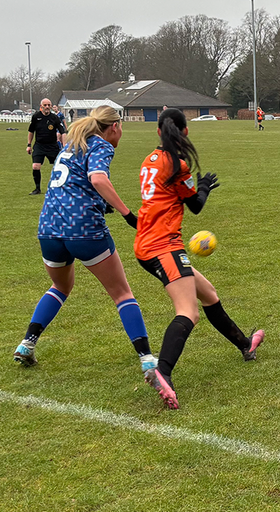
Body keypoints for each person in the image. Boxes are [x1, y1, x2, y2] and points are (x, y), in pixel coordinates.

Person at [13, 106, 171, 406]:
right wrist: (128, 215)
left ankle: (27, 343)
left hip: (49, 228)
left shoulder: (72, 144)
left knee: (60, 287)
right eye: (120, 127)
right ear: (113, 127)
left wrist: (100, 202)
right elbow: (97, 178)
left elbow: (74, 182)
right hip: (83, 229)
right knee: (122, 293)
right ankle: (148, 360)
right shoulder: (99, 145)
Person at [134, 109, 265, 408]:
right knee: (188, 312)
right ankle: (162, 372)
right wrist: (203, 185)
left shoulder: (149, 161)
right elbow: (195, 205)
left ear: (158, 132)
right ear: (185, 132)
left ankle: (245, 345)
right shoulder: (177, 165)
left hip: (145, 243)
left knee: (209, 295)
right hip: (163, 247)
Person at [26, 98, 66, 195]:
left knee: (59, 166)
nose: (47, 107)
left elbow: (63, 132)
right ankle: (37, 189)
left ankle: (61, 187)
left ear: (51, 106)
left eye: (49, 105)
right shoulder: (36, 117)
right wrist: (29, 145)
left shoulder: (54, 118)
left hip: (52, 146)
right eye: (45, 105)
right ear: (41, 106)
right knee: (35, 166)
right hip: (39, 146)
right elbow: (31, 131)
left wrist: (65, 146)